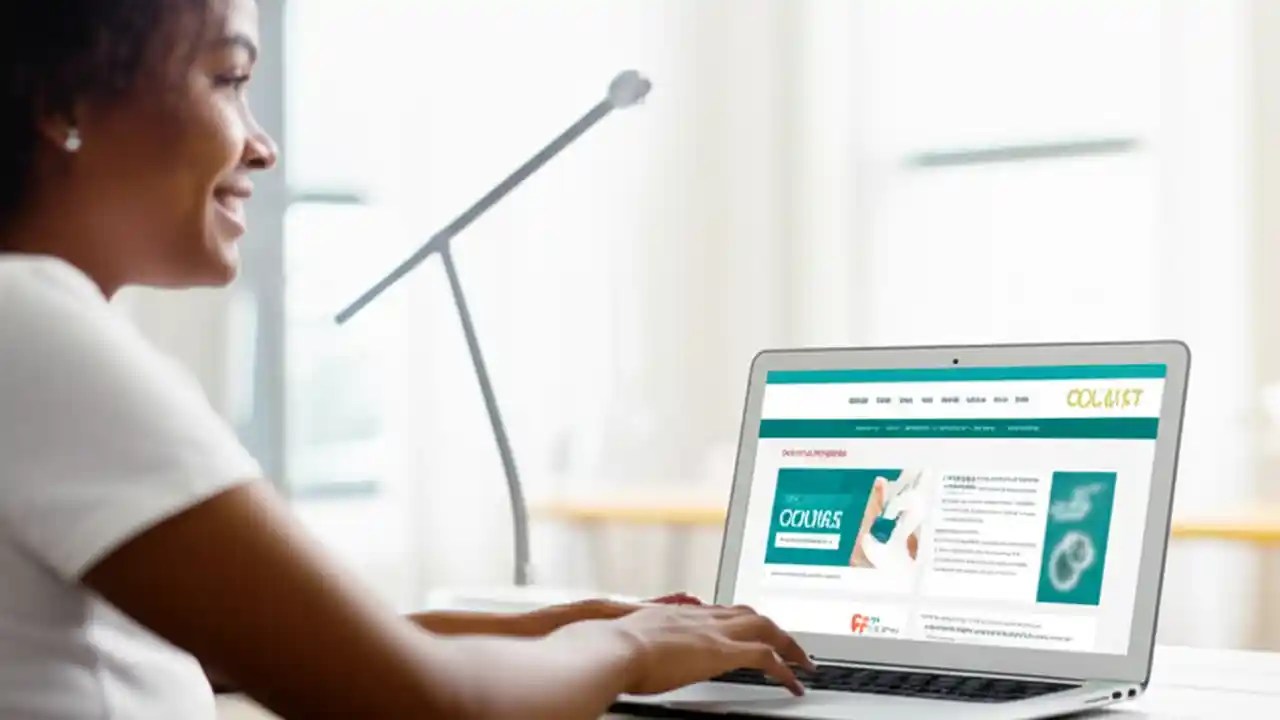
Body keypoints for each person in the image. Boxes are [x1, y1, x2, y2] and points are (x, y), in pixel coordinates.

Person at [0, 1, 814, 718]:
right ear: (63, 98)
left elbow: (252, 651)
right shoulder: (30, 325)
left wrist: (567, 628)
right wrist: (629, 649)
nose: (262, 147)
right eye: (227, 78)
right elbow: (429, 703)